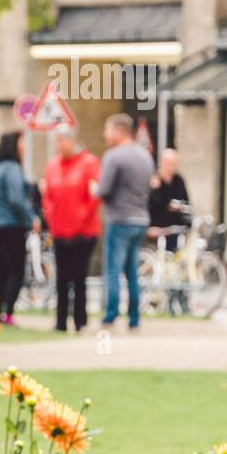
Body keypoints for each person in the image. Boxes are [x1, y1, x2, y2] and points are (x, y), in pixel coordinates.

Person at [92, 112, 154, 330]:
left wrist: (94, 189)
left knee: (112, 270)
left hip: (119, 219)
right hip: (140, 219)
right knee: (132, 273)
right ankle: (134, 318)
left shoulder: (114, 156)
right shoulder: (145, 156)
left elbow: (105, 190)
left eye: (107, 130)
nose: (105, 135)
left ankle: (110, 315)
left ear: (119, 131)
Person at [42, 124, 100, 332]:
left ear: (72, 141)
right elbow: (47, 196)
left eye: (62, 140)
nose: (59, 144)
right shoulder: (53, 166)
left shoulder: (89, 163)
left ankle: (80, 320)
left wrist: (79, 219)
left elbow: (93, 197)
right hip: (59, 231)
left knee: (79, 278)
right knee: (62, 279)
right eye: (56, 140)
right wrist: (52, 218)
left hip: (83, 233)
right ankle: (60, 322)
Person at [0, 132, 34, 327]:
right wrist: (32, 219)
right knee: (16, 271)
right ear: (14, 145)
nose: (24, 145)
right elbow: (16, 199)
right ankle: (8, 314)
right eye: (22, 141)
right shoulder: (12, 168)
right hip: (11, 225)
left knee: (2, 271)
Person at [147, 148, 190, 253]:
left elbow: (186, 202)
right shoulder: (154, 180)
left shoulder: (179, 180)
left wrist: (179, 207)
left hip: (174, 228)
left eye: (175, 163)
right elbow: (147, 206)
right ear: (162, 163)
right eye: (170, 163)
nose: (173, 167)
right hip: (156, 227)